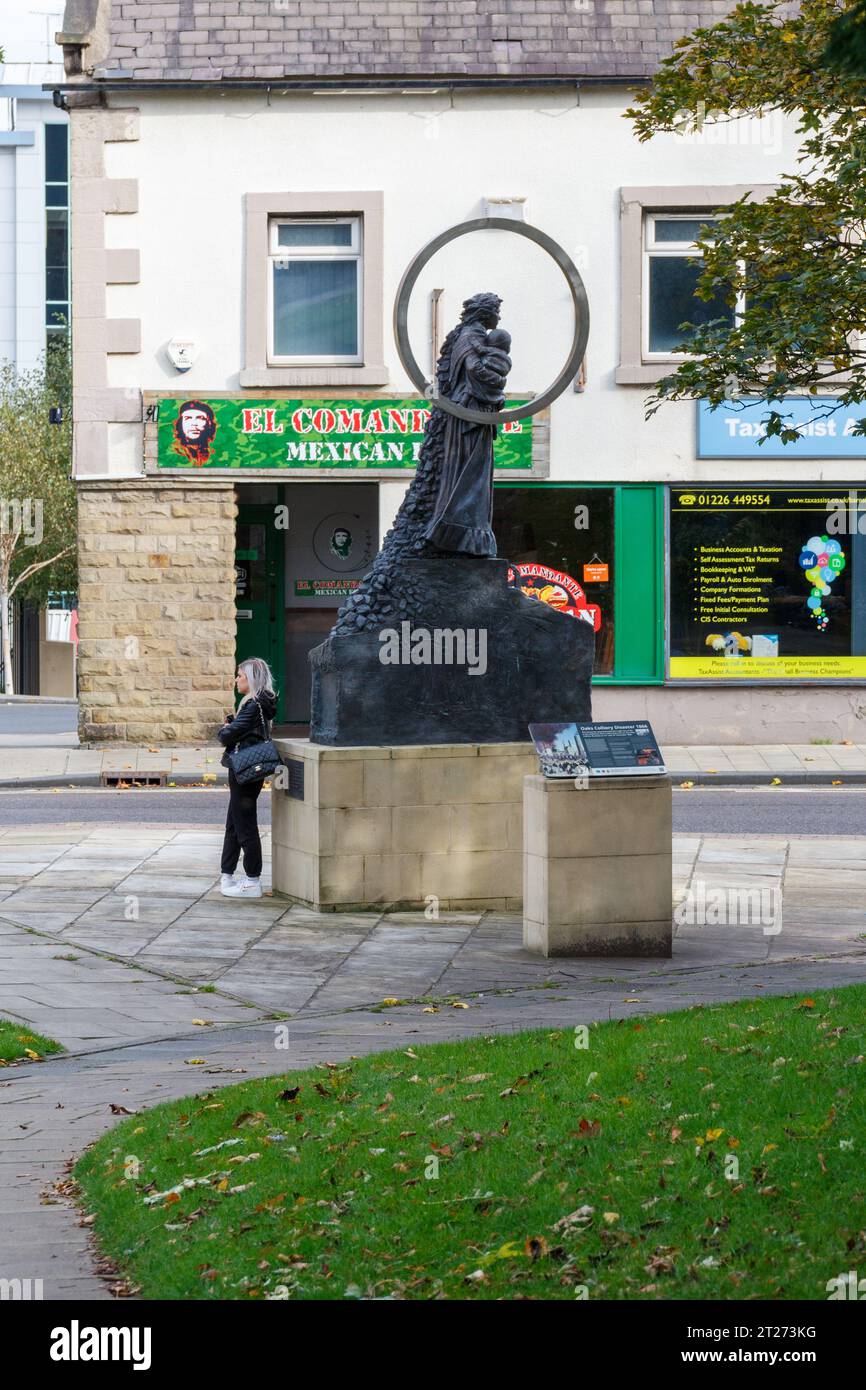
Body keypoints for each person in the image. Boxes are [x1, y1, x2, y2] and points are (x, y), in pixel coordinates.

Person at [217, 657, 277, 898]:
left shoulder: (254, 704)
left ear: (250, 679)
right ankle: (227, 874)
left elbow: (228, 736)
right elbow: (244, 729)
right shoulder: (258, 703)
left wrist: (225, 729)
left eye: (239, 676)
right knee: (233, 824)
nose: (236, 679)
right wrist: (233, 724)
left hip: (245, 772)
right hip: (245, 770)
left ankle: (253, 881)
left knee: (245, 826)